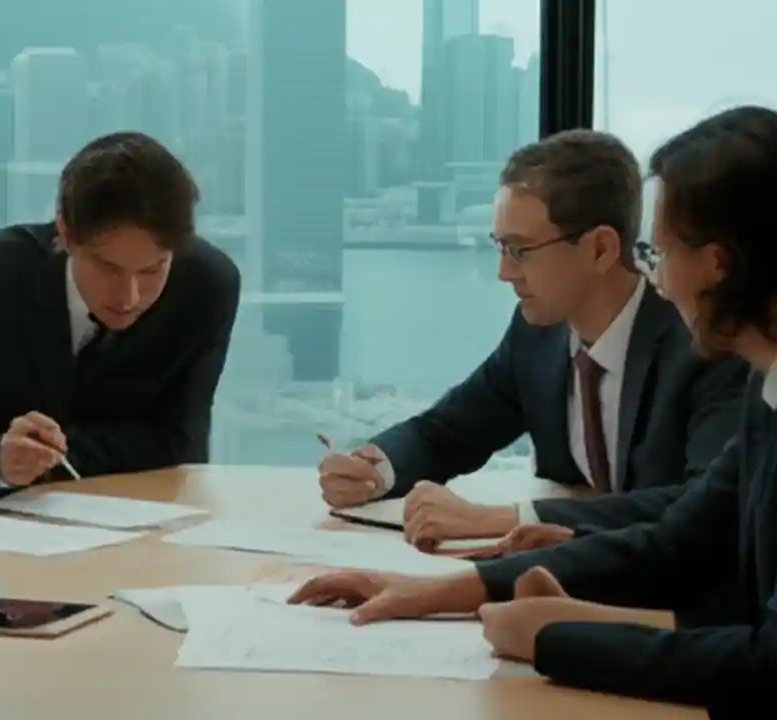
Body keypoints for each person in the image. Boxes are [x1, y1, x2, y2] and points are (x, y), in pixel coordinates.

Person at [290, 105, 777, 708]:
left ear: (719, 264)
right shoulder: (768, 389)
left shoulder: (725, 359)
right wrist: (431, 591)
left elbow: (764, 658)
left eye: (661, 254)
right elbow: (679, 540)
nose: (659, 279)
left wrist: (557, 638)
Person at [318, 129, 748, 550]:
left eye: (520, 250)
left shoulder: (702, 344)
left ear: (600, 249)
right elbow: (448, 431)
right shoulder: (539, 333)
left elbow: (701, 507)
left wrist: (498, 519)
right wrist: (376, 470)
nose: (503, 272)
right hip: (581, 574)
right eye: (499, 247)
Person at [0, 131, 241, 501]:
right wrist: (0, 458)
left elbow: (180, 444)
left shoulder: (207, 285)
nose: (129, 296)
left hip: (131, 508)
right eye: (108, 267)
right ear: (65, 234)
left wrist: (53, 453)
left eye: (152, 271)